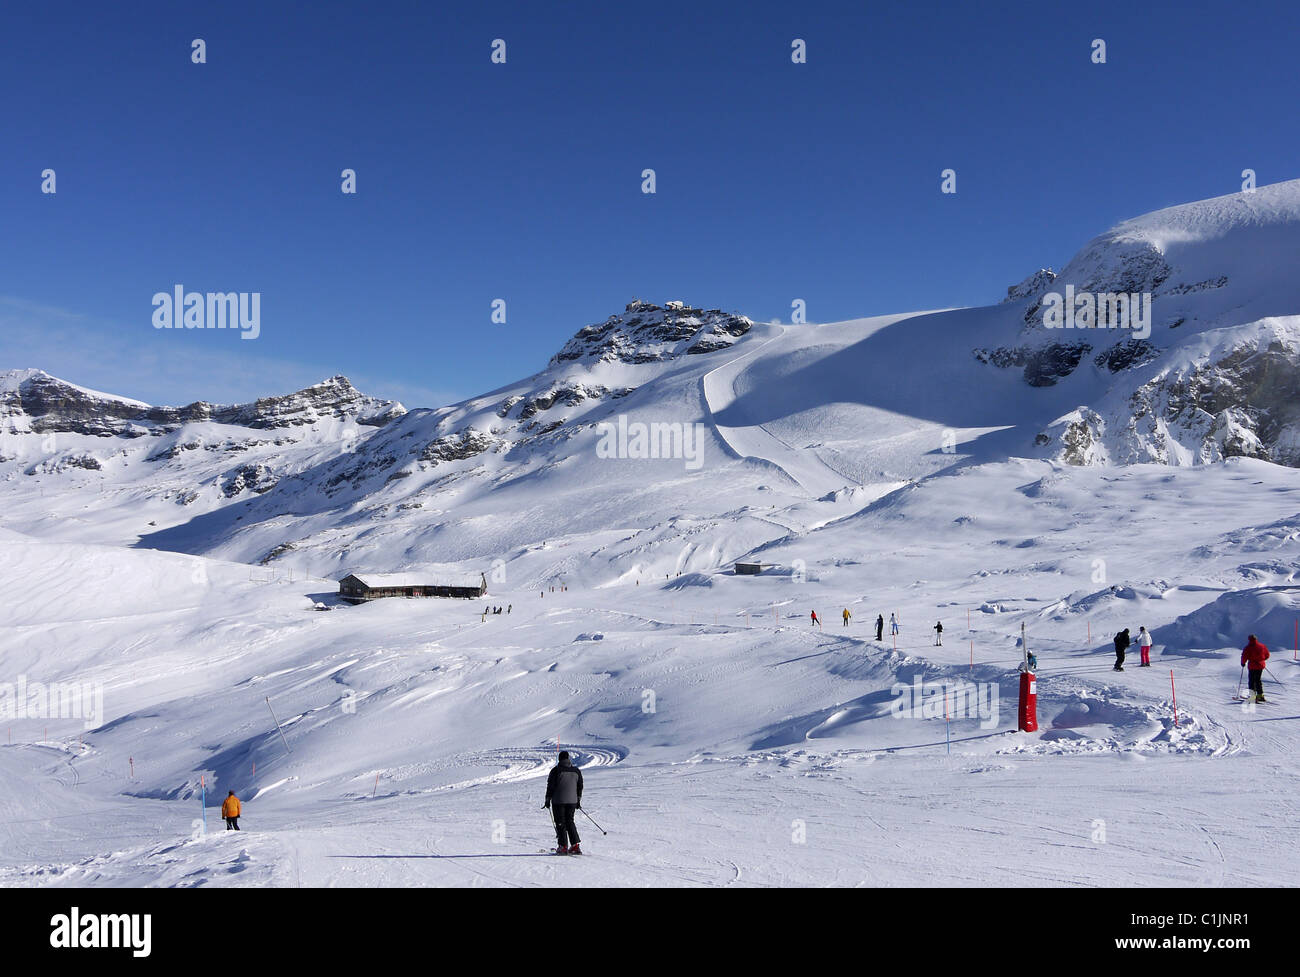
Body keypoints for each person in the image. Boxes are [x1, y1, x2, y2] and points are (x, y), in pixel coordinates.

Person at [543, 751, 584, 854]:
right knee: (570, 821)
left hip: (558, 801)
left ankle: (563, 846)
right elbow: (580, 786)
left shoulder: (556, 771)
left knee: (560, 822)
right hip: (572, 801)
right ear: (568, 759)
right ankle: (575, 846)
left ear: (560, 759)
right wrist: (578, 799)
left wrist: (548, 799)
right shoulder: (576, 771)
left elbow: (550, 786)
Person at [1242, 634, 1270, 703]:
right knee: (1258, 680)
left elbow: (1244, 656)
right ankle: (1260, 696)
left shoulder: (1248, 648)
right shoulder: (1262, 646)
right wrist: (1261, 660)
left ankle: (1252, 697)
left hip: (1252, 666)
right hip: (1260, 666)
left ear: (1249, 639)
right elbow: (1267, 655)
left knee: (1252, 681)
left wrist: (1243, 663)